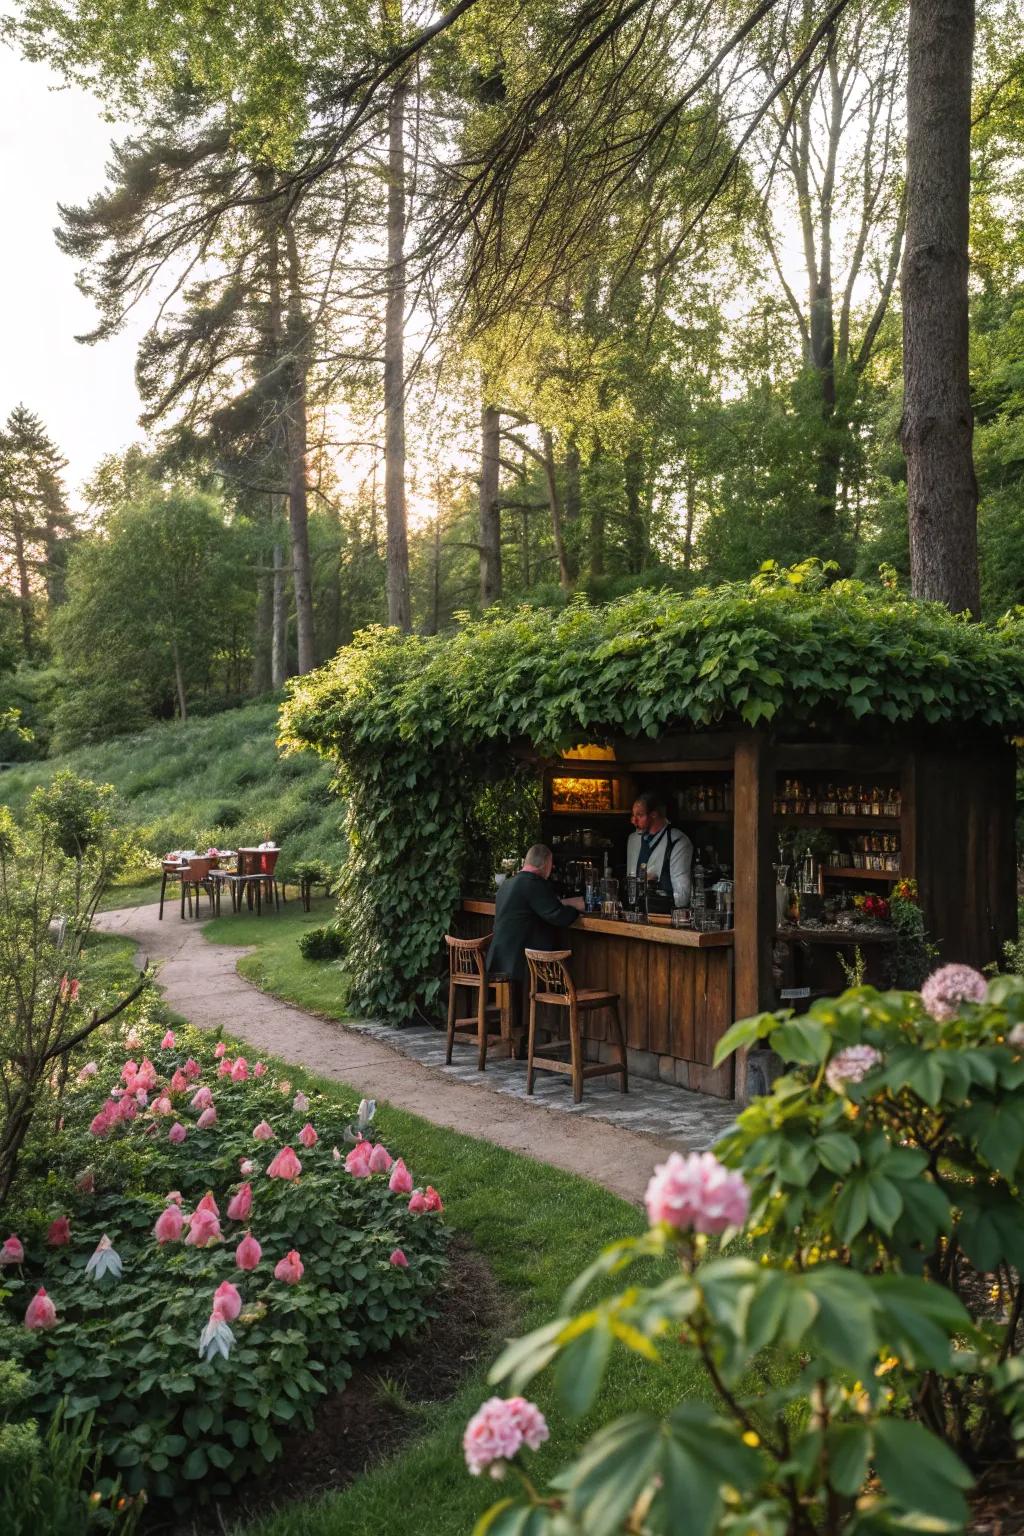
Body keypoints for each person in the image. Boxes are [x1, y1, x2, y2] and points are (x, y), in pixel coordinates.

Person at [487, 844, 584, 983]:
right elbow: (558, 915)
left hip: (498, 959)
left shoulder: (507, 884)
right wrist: (577, 910)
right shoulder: (533, 883)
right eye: (551, 864)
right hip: (520, 965)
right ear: (546, 864)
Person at [627, 792, 693, 911]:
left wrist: (657, 891)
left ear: (653, 815)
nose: (633, 821)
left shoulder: (677, 842)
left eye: (640, 815)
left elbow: (683, 896)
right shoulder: (633, 839)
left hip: (665, 917)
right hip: (636, 915)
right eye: (633, 815)